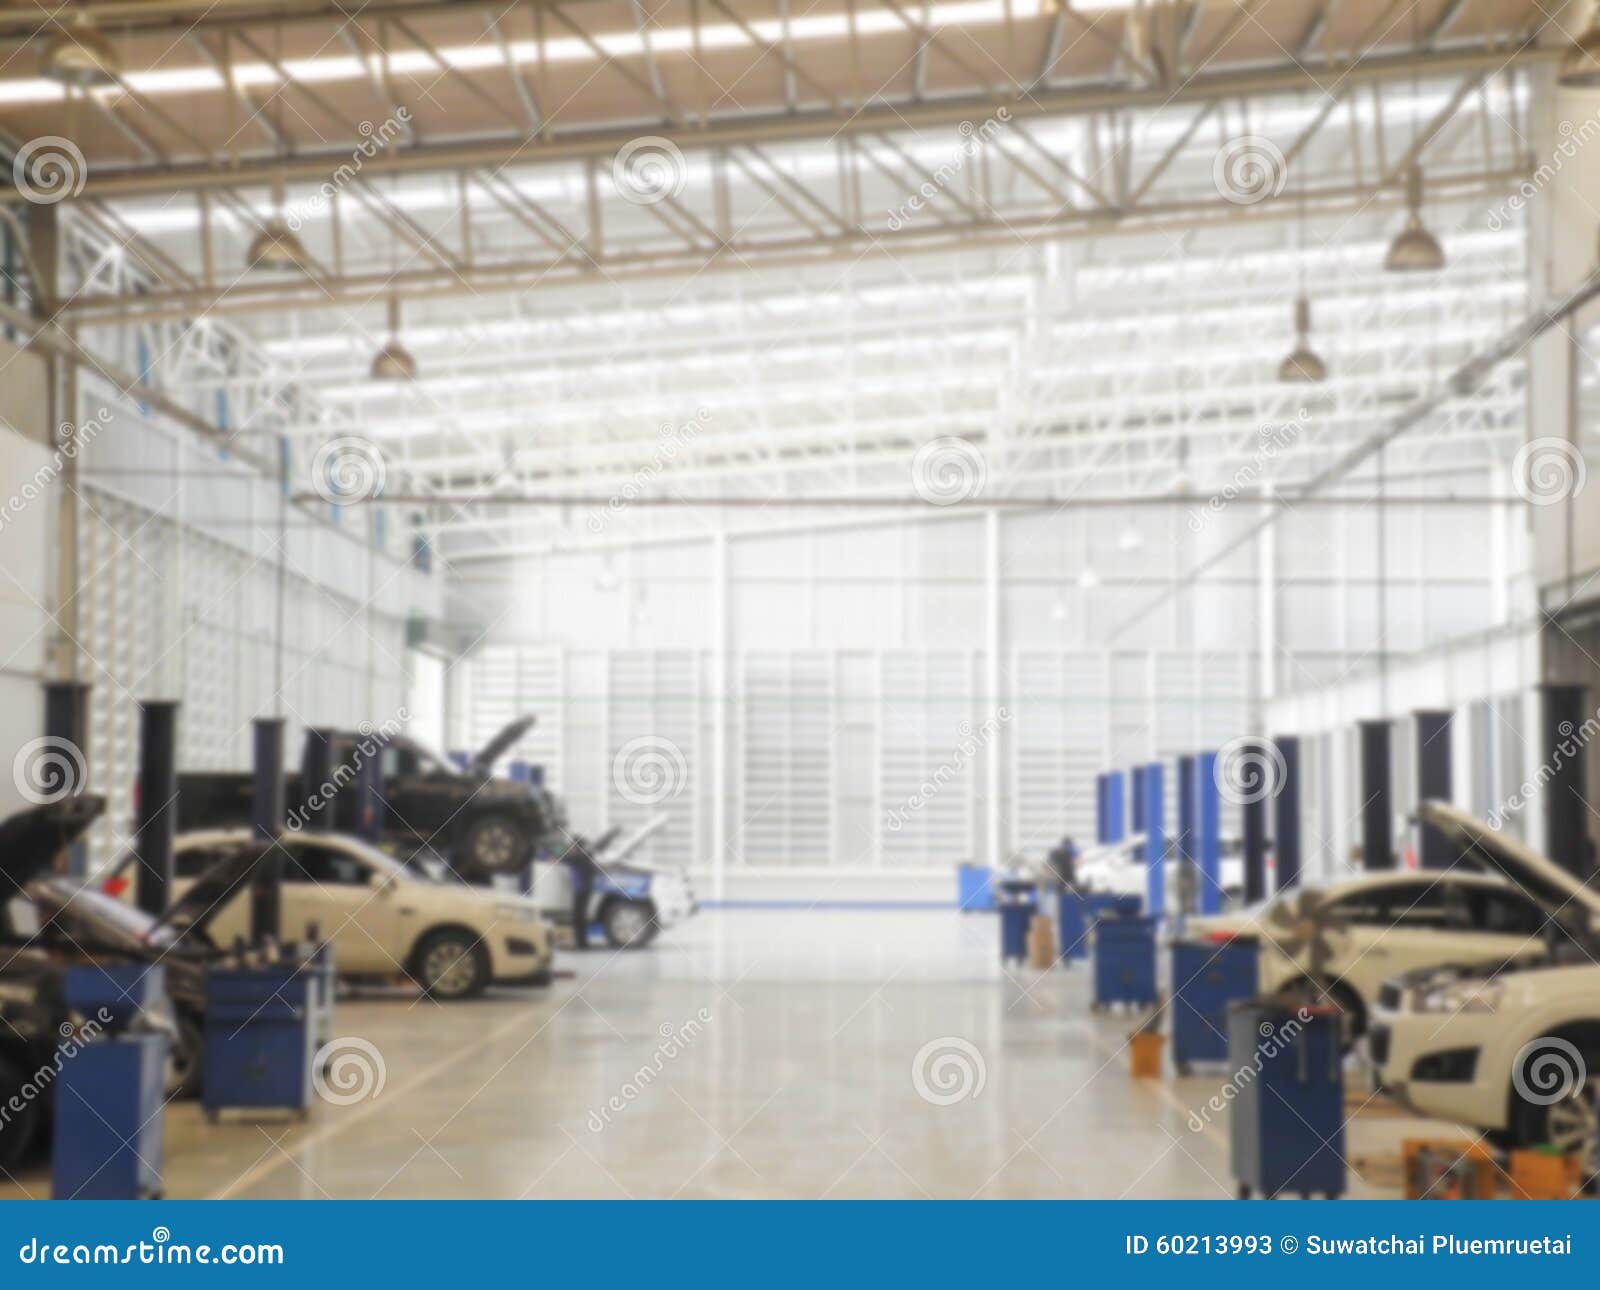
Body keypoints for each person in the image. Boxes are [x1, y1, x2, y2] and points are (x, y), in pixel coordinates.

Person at [560, 836, 602, 949]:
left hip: (581, 889)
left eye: (573, 845)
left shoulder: (579, 857)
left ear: (577, 846)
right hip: (585, 888)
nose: (571, 847)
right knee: (580, 915)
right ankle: (582, 942)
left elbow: (564, 858)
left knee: (579, 916)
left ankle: (581, 943)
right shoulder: (585, 855)